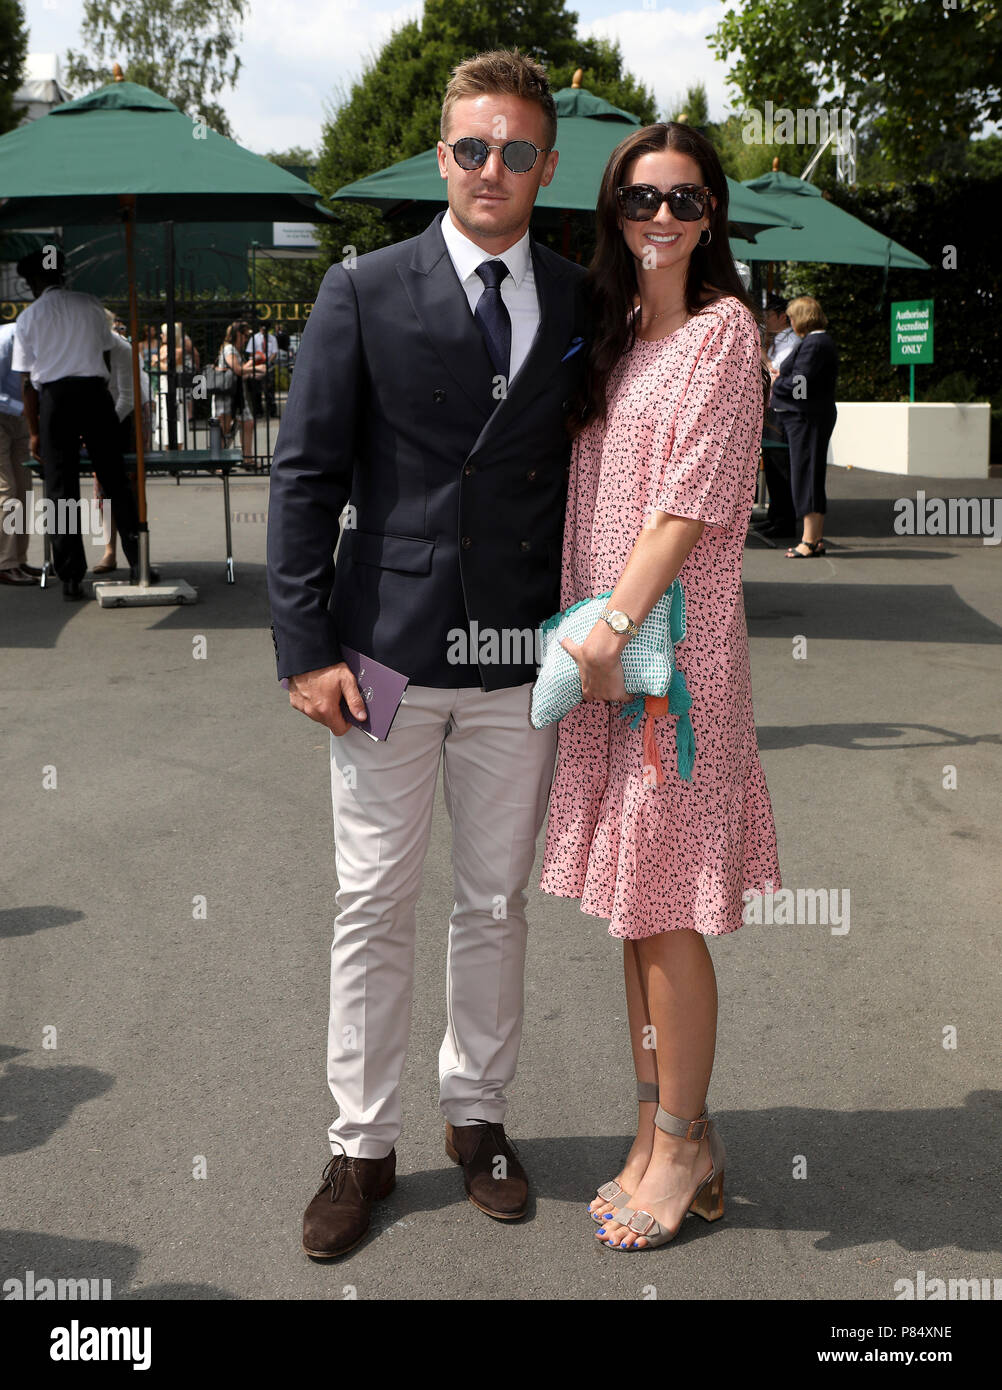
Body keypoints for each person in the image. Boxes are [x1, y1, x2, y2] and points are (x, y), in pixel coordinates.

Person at [266, 47, 587, 1260]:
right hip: (384, 657)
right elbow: (303, 475)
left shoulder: (576, 296)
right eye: (470, 147)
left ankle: (479, 1117)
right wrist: (306, 648)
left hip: (518, 657)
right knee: (372, 903)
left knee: (494, 903)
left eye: (515, 151)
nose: (491, 167)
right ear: (441, 157)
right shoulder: (362, 287)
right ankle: (361, 1143)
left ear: (546, 167)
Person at [538, 121, 781, 1250]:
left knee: (672, 910)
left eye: (685, 200)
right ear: (615, 212)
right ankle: (655, 1129)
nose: (663, 219)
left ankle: (684, 1143)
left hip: (672, 662)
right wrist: (593, 635)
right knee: (635, 914)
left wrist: (616, 625)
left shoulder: (727, 332)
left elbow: (689, 500)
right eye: (643, 200)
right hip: (611, 654)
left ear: (713, 214)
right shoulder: (624, 335)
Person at [11, 248, 143, 599]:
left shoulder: (29, 317)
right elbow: (103, 352)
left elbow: (27, 383)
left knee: (60, 489)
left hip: (55, 399)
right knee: (114, 479)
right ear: (61, 274)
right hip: (94, 394)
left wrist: (35, 432)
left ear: (35, 282)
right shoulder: (90, 304)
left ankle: (70, 574)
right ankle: (137, 560)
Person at [770, 295, 838, 558]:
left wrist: (777, 383)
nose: (791, 321)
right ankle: (814, 538)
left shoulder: (814, 343)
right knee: (810, 474)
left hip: (805, 418)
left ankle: (809, 541)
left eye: (792, 317)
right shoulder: (818, 342)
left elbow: (801, 383)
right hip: (810, 416)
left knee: (806, 474)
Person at [91, 311, 151, 575]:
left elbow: (128, 398)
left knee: (133, 484)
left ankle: (139, 553)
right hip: (106, 416)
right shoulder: (85, 349)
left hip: (134, 413)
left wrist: (103, 430)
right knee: (100, 486)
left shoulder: (123, 349)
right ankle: (110, 551)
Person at [0, 321, 42, 586]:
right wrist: (23, 409)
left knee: (24, 489)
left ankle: (18, 558)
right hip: (5, 414)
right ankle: (4, 563)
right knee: (6, 489)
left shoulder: (42, 336)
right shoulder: (5, 340)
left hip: (20, 416)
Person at [754, 293, 798, 539]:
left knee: (781, 464)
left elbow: (774, 372)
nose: (765, 320)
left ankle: (785, 520)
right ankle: (775, 516)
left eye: (768, 315)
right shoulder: (777, 340)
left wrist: (762, 354)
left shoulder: (790, 341)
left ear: (782, 316)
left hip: (782, 410)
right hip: (772, 408)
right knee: (771, 463)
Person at [212, 322, 263, 467]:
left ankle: (247, 458)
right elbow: (237, 370)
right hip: (226, 394)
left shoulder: (235, 350)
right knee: (224, 427)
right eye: (245, 335)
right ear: (237, 334)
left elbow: (240, 372)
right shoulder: (229, 349)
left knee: (248, 422)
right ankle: (218, 462)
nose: (246, 339)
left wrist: (255, 371)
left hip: (237, 394)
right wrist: (255, 365)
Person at [245, 326, 278, 419]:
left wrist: (267, 362)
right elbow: (251, 352)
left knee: (269, 389)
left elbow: (274, 352)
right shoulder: (254, 338)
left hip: (268, 365)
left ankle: (272, 411)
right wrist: (258, 360)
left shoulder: (272, 338)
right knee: (256, 390)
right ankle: (258, 411)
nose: (264, 330)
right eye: (263, 329)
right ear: (260, 329)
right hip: (257, 365)